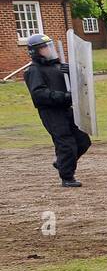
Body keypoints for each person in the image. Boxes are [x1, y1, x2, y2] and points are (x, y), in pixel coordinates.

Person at [23, 33, 90, 187]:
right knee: (66, 143)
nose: (48, 50)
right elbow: (39, 94)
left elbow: (77, 85)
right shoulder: (34, 70)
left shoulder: (57, 66)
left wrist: (72, 73)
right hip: (51, 112)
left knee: (82, 141)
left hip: (66, 109)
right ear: (35, 51)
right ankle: (67, 177)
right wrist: (64, 96)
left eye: (49, 46)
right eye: (43, 47)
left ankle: (61, 162)